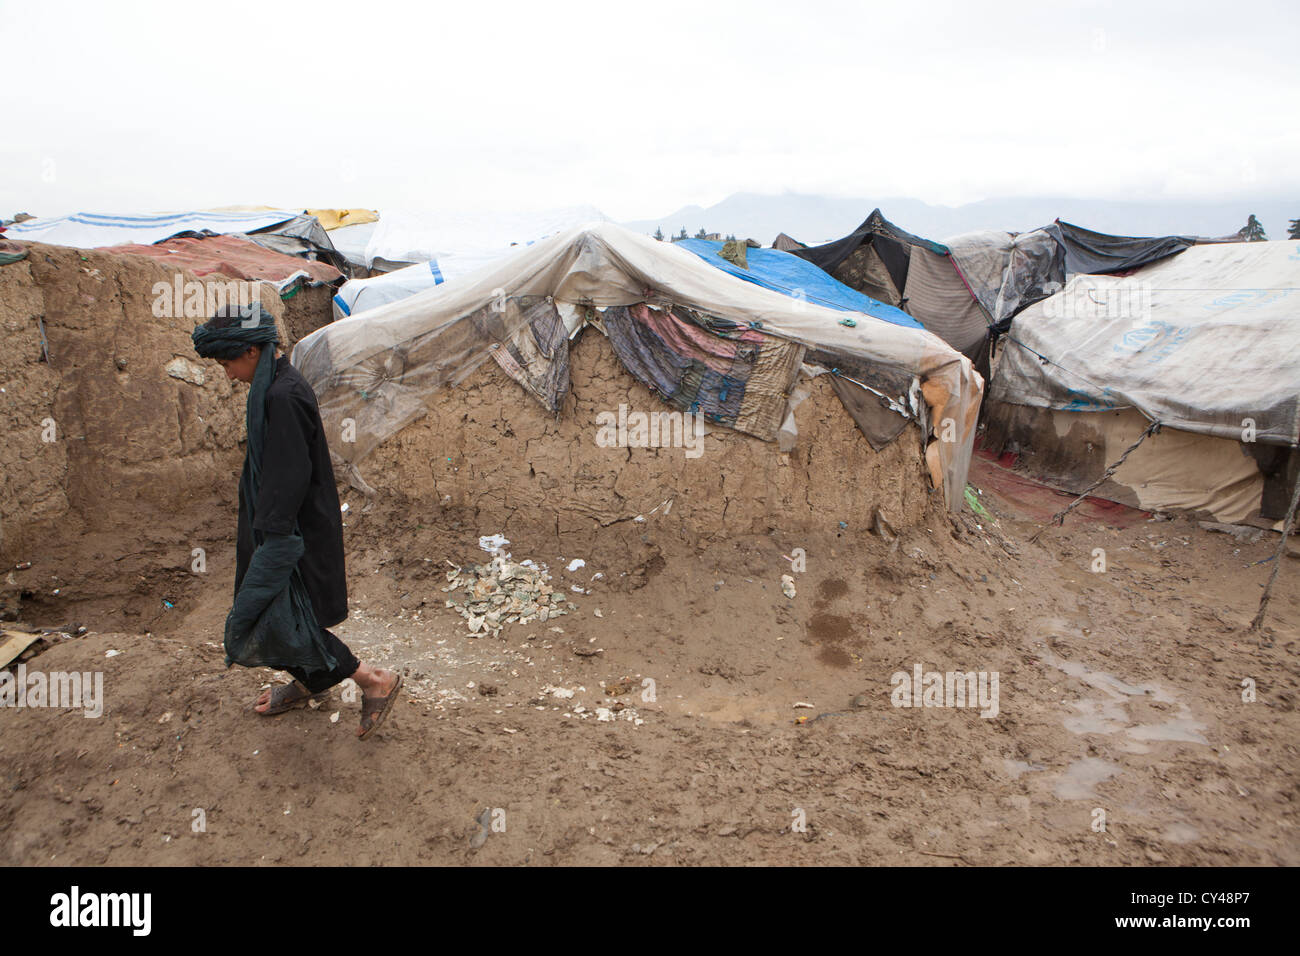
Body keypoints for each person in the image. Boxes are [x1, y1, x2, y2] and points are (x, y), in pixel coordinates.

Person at [192, 303, 401, 739]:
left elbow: (289, 475)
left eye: (228, 362)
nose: (228, 374)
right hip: (278, 527)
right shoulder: (272, 386)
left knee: (282, 617)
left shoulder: (281, 395)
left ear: (251, 350)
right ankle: (310, 681)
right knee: (287, 614)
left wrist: (274, 548)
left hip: (290, 533)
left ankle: (373, 680)